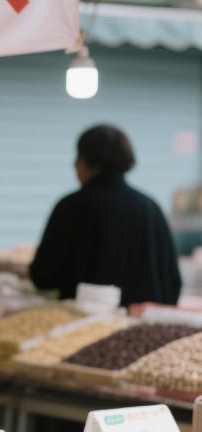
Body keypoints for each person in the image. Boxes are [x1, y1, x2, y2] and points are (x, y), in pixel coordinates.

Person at [30, 123, 181, 306]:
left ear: (83, 162)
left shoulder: (72, 206)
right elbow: (172, 282)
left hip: (81, 325)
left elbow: (43, 275)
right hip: (145, 327)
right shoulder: (150, 208)